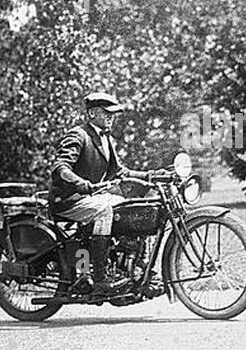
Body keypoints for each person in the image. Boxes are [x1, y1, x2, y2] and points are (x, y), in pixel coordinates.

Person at [48, 92, 167, 297]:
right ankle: (100, 277)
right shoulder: (78, 135)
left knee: (130, 209)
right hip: (69, 200)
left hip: (89, 199)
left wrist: (151, 175)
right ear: (92, 113)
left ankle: (136, 266)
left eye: (113, 114)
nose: (111, 117)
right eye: (106, 113)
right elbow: (61, 167)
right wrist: (80, 183)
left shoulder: (105, 138)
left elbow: (120, 172)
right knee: (105, 210)